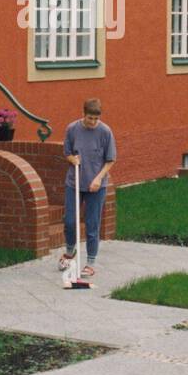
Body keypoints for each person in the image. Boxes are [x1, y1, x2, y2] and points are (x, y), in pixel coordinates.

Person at [60, 98, 116, 278]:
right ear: (83, 114)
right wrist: (72, 159)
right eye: (90, 118)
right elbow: (67, 152)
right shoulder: (72, 129)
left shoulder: (105, 132)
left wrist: (98, 179)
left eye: (96, 119)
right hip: (74, 183)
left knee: (92, 224)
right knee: (70, 221)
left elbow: (110, 160)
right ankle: (70, 252)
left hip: (96, 186)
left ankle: (90, 262)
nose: (93, 122)